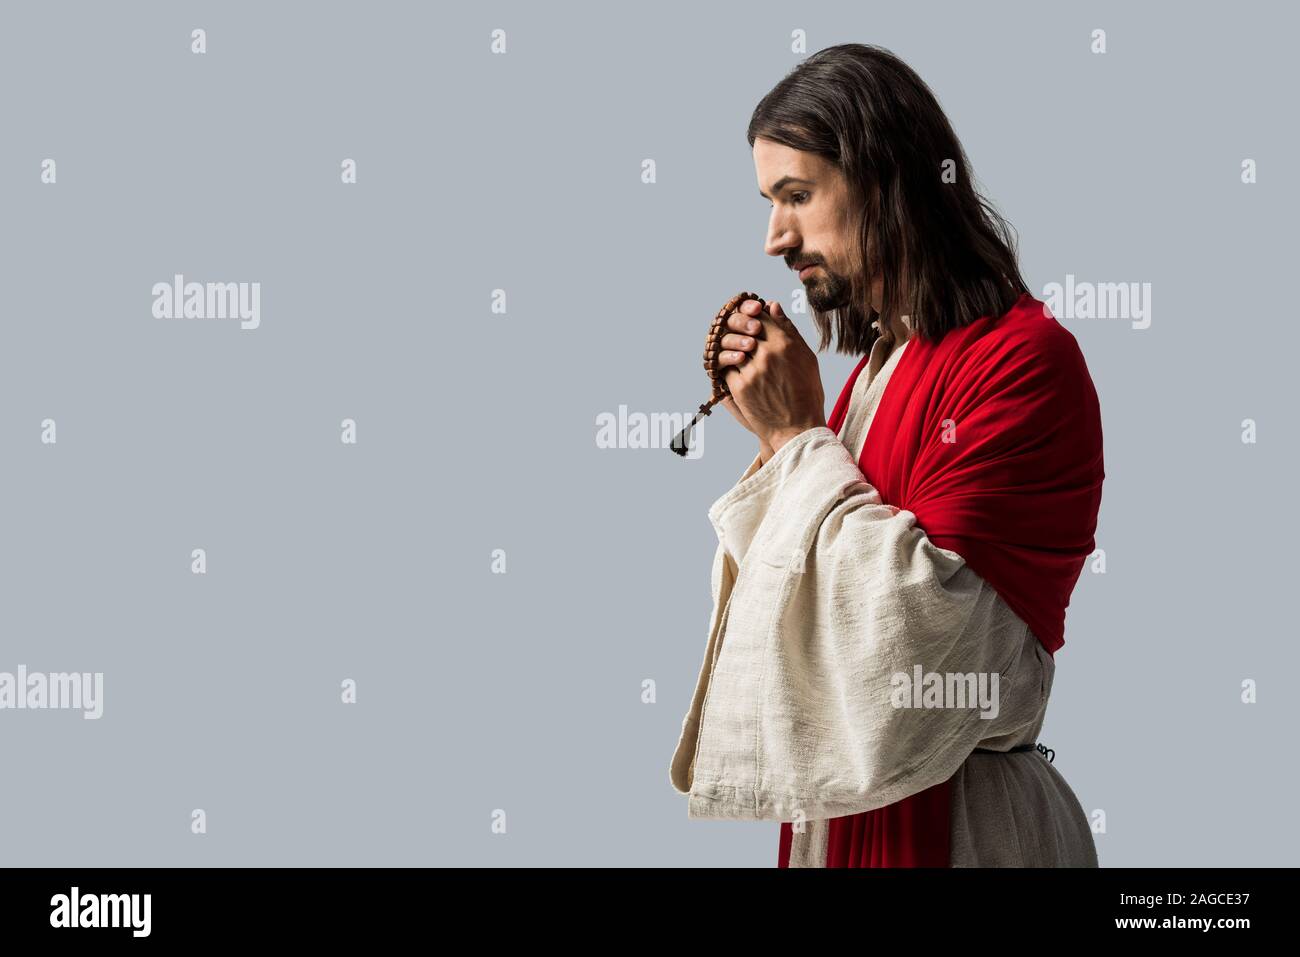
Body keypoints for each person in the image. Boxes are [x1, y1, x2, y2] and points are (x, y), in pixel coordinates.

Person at [668, 43, 1104, 867]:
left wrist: (797, 440)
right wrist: (786, 440)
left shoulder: (1023, 361)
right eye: (770, 202)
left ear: (887, 182)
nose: (775, 237)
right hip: (845, 823)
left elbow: (921, 640)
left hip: (969, 827)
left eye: (798, 195)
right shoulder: (871, 378)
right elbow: (798, 637)